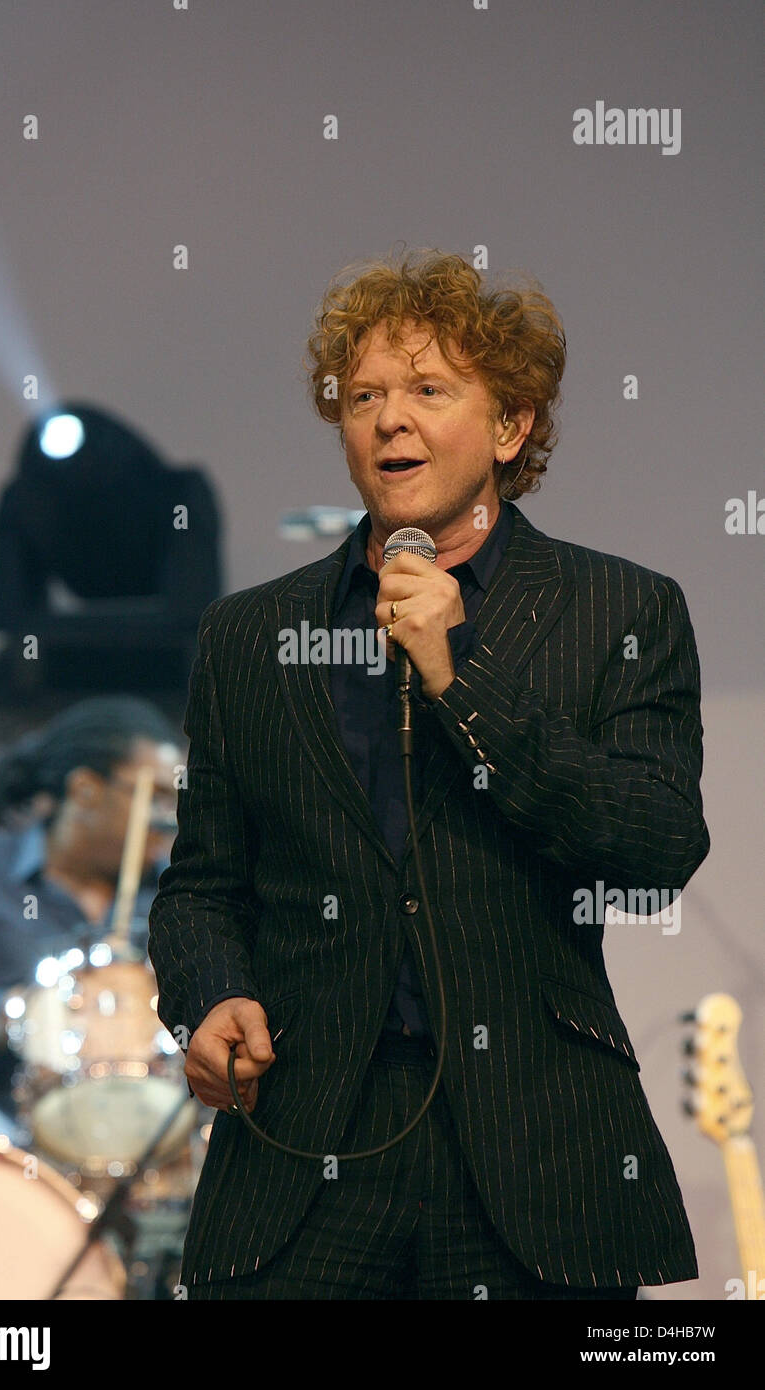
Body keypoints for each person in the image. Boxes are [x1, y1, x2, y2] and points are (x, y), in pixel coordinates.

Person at [148, 249, 709, 1300]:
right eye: (361, 396)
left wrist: (463, 679)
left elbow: (652, 846)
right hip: (308, 1152)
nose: (386, 419)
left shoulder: (620, 612)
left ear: (510, 427)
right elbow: (201, 886)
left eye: (426, 390)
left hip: (534, 1155)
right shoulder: (249, 634)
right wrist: (209, 995)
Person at [0, 696, 182, 1144]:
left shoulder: (178, 894)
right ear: (85, 789)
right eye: (157, 797)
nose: (168, 819)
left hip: (143, 1129)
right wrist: (32, 1014)